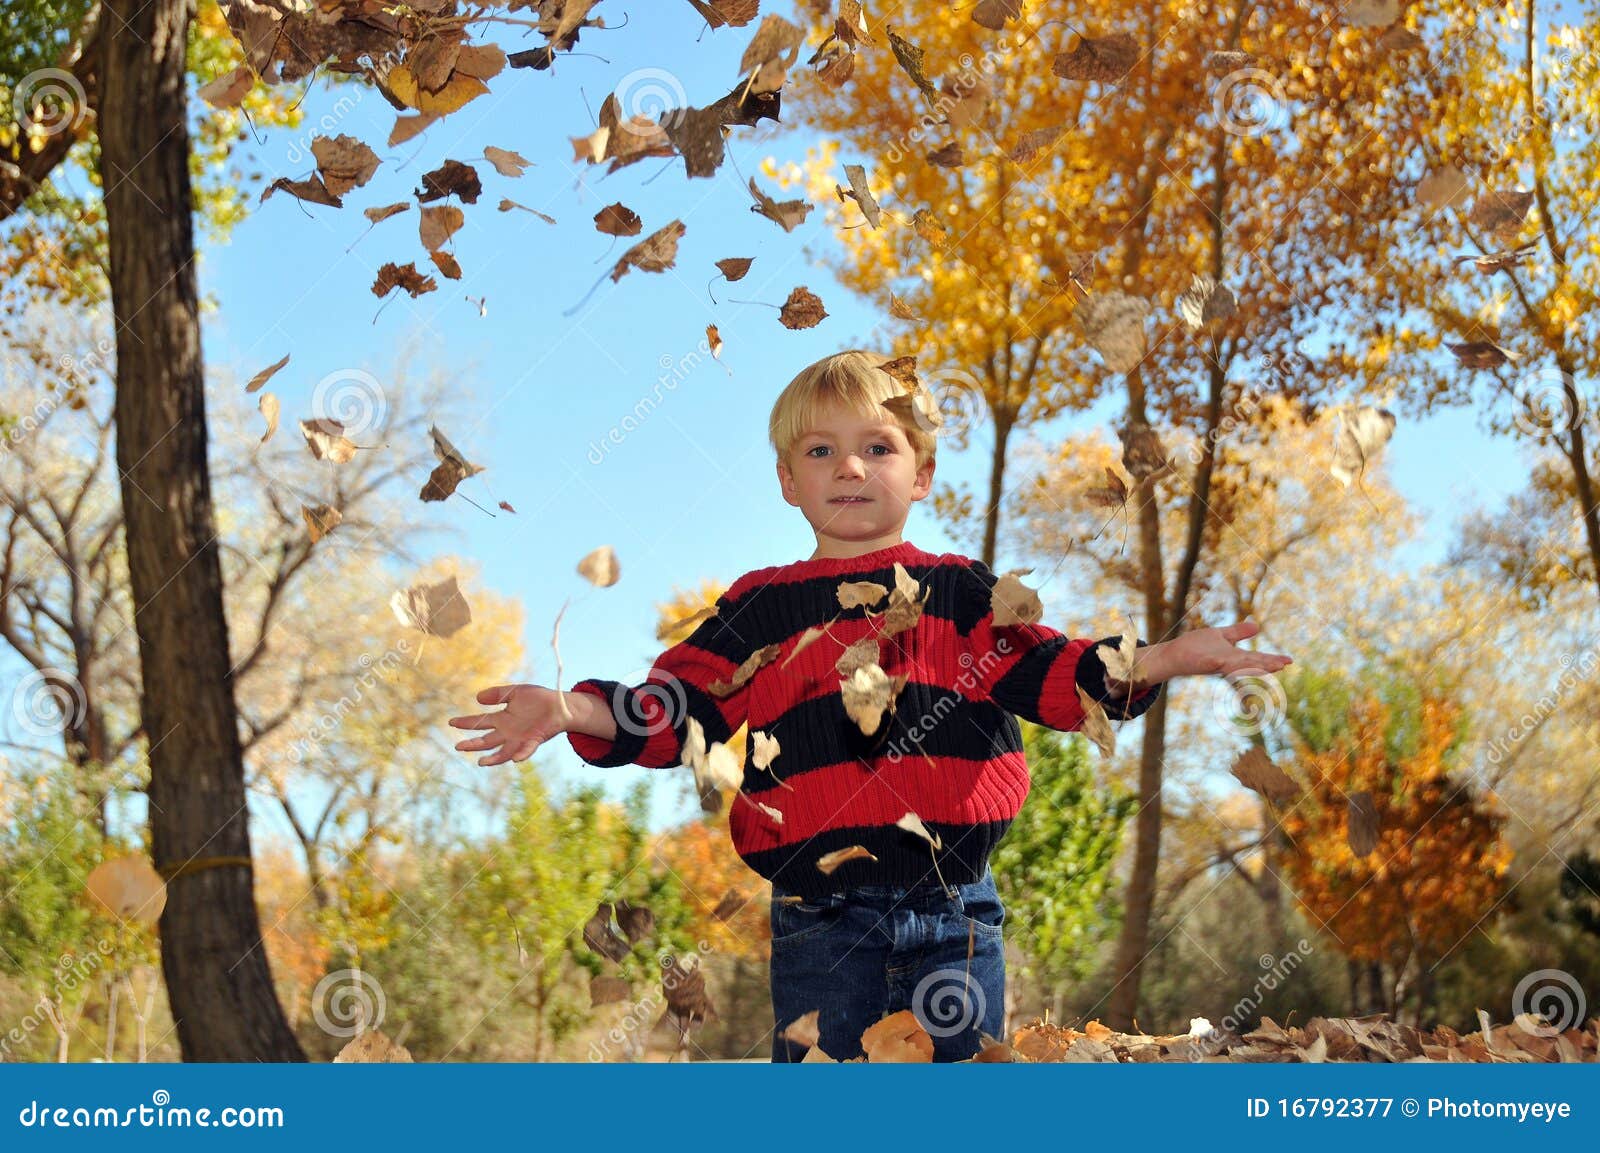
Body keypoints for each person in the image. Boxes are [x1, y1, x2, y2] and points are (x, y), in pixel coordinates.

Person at [449, 350, 1292, 1062]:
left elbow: (1057, 677)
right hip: (820, 919)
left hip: (955, 908)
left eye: (876, 446)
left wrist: (1164, 657)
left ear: (920, 472)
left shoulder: (962, 592)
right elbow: (683, 705)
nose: (848, 467)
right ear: (787, 480)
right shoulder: (761, 607)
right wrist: (577, 710)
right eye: (820, 451)